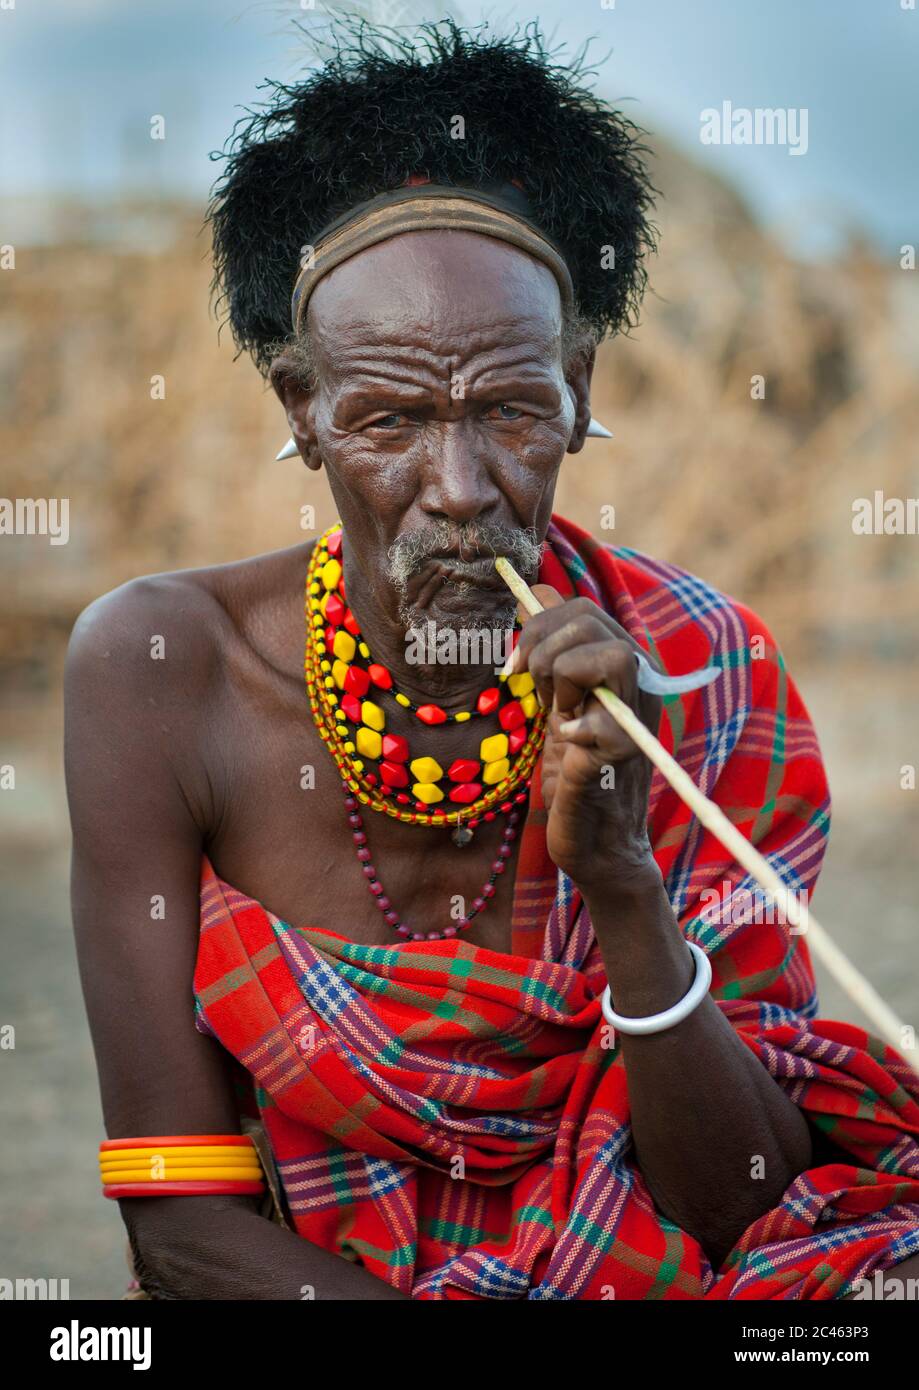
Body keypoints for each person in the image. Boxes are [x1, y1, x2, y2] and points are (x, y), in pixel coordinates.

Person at [64, 20, 919, 1300]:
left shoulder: (703, 671)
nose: (459, 490)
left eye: (513, 411)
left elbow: (742, 1199)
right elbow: (177, 1232)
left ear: (578, 387)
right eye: (389, 420)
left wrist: (626, 888)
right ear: (302, 412)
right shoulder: (157, 668)